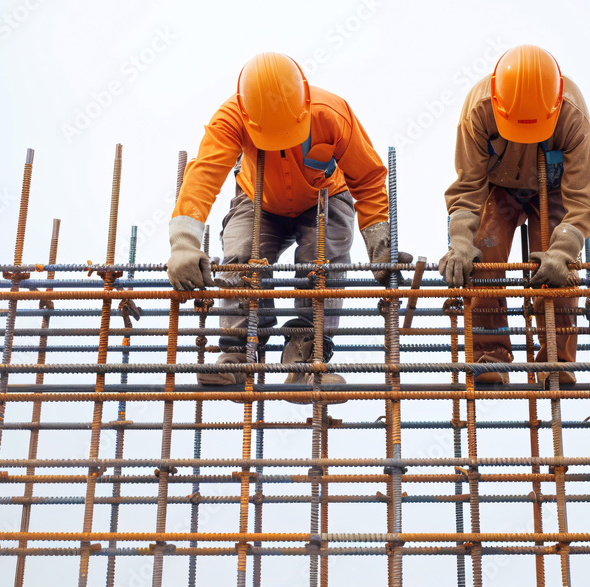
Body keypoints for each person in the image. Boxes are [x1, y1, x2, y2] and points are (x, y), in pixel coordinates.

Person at [167, 51, 410, 387]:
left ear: (304, 105)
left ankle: (305, 354)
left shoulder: (331, 114)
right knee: (241, 255)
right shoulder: (231, 117)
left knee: (322, 260)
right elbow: (203, 177)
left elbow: (368, 180)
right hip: (258, 198)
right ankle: (239, 352)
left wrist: (380, 248)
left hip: (324, 196)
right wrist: (183, 243)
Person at [439, 44, 590, 385]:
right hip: (500, 188)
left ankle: (556, 359)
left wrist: (563, 252)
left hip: (554, 189)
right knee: (483, 254)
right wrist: (461, 240)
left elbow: (583, 202)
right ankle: (490, 355)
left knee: (559, 269)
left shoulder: (572, 115)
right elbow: (468, 187)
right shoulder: (479, 109)